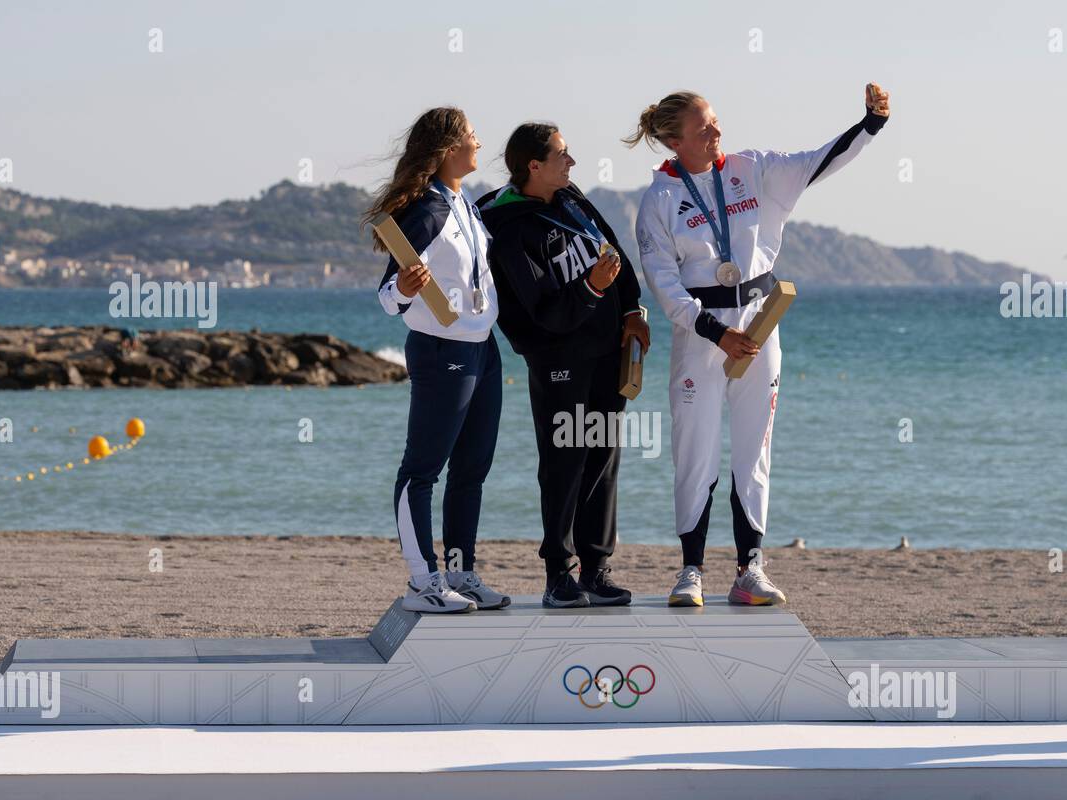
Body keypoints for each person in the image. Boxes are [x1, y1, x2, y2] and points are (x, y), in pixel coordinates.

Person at [628, 84, 891, 607]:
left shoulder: (754, 170)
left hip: (759, 322)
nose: (717, 131)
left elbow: (821, 160)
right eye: (704, 128)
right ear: (675, 141)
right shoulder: (659, 199)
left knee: (754, 450)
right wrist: (713, 332)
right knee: (694, 452)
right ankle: (691, 571)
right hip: (701, 333)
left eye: (716, 121)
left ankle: (750, 568)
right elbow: (664, 284)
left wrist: (869, 124)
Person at [479, 123, 650, 608]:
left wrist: (633, 309)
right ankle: (560, 573)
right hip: (558, 358)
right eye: (562, 154)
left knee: (603, 458)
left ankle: (596, 568)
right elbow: (542, 311)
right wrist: (592, 288)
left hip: (607, 350)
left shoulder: (571, 197)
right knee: (564, 462)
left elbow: (614, 248)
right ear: (534, 165)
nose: (571, 162)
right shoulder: (508, 225)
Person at [362, 107, 510, 613]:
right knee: (422, 470)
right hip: (442, 352)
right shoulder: (427, 210)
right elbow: (387, 296)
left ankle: (461, 573)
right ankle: (422, 581)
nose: (479, 142)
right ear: (449, 150)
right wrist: (403, 288)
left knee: (472, 469)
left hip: (483, 350)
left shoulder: (462, 202)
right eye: (471, 136)